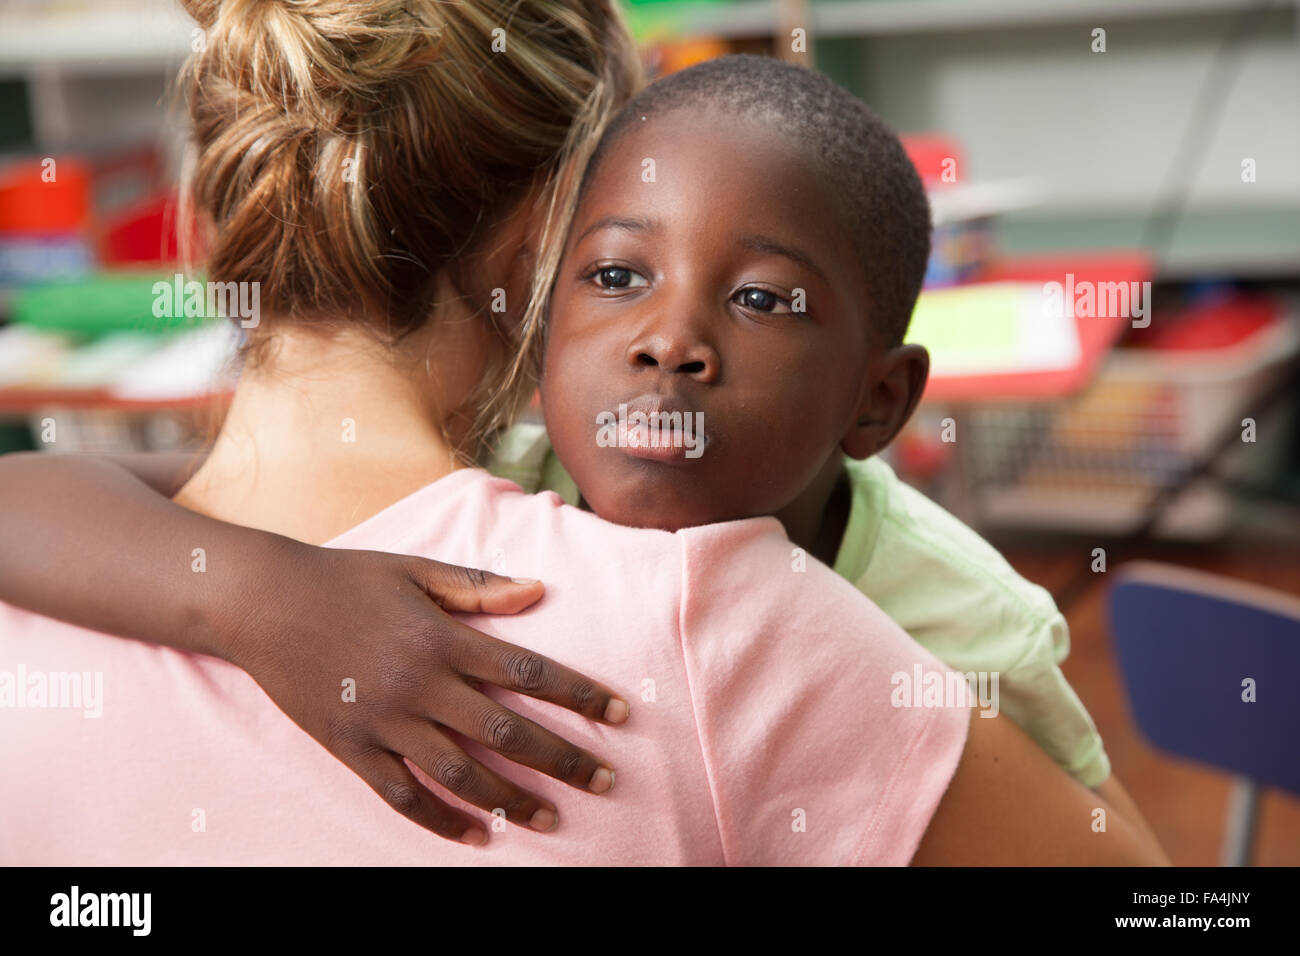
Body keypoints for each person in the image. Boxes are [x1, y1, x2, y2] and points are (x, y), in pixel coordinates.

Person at [0, 6, 1162, 862]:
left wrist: (251, 592)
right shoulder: (706, 621)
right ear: (552, 238)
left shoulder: (59, 598)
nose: (666, 339)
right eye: (617, 269)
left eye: (758, 296)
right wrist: (259, 598)